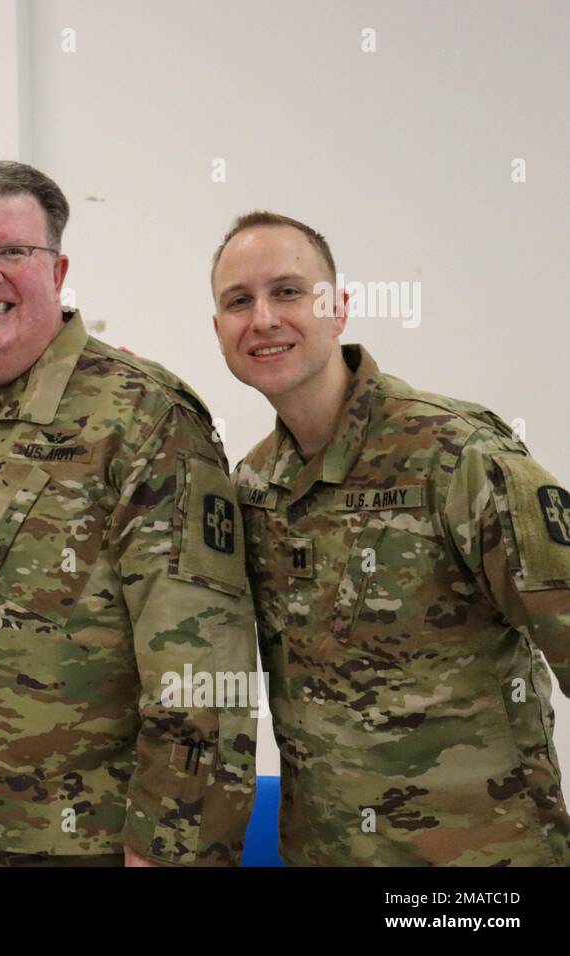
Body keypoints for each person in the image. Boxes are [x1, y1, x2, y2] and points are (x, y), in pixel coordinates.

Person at [0, 162, 259, 866]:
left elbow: (204, 667)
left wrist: (170, 849)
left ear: (57, 272)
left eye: (14, 253)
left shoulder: (144, 416)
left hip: (83, 843)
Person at [212, 210, 570, 866]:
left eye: (288, 291)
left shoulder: (457, 457)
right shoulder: (255, 488)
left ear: (338, 308)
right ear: (219, 331)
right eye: (239, 301)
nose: (262, 318)